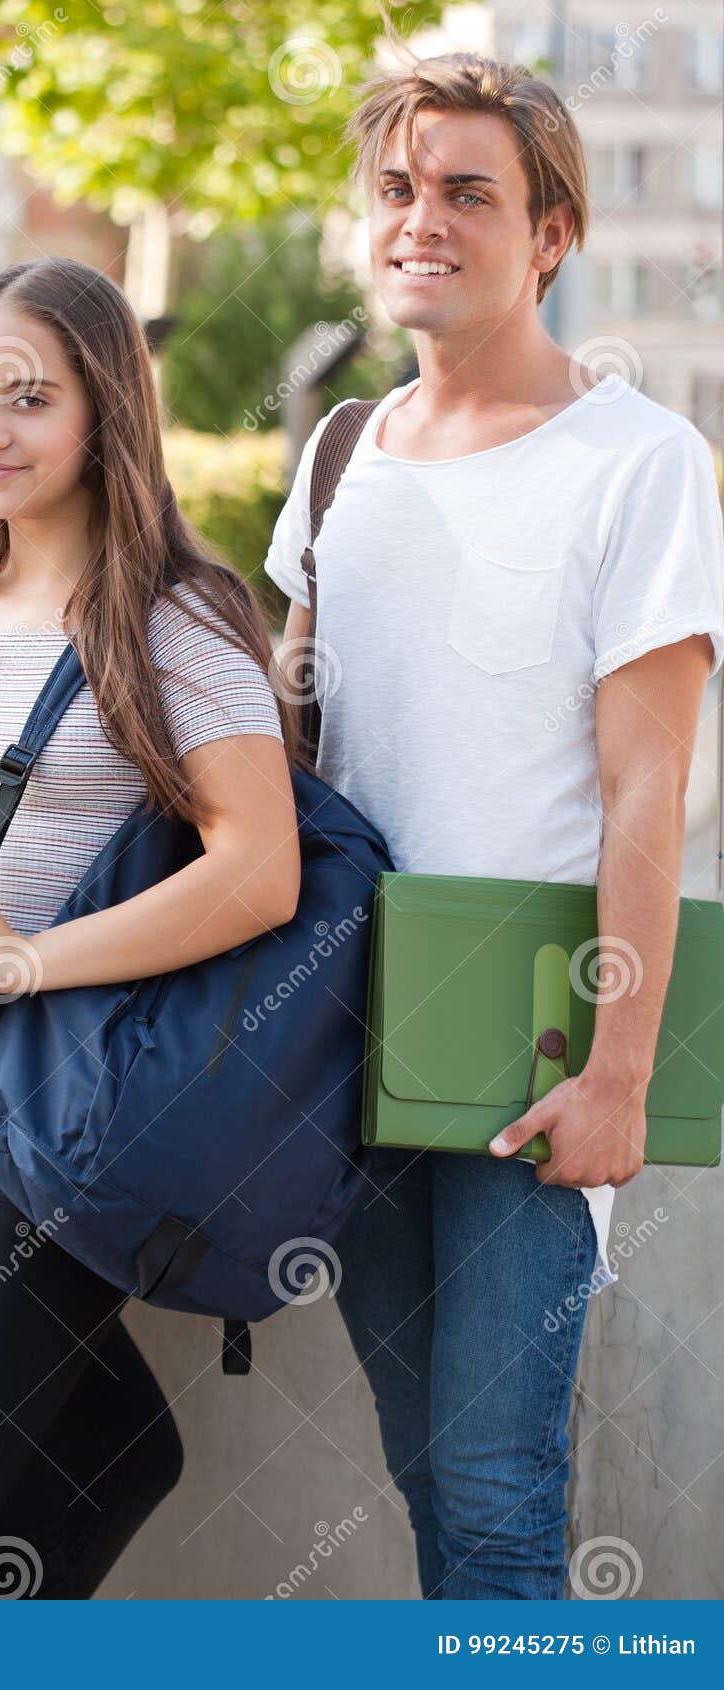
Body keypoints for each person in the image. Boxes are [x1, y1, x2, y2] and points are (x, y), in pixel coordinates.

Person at [264, 53, 724, 1599]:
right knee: (425, 1479)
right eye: (397, 190)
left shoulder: (639, 464)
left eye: (469, 191)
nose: (423, 220)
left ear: (550, 233)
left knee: (500, 1488)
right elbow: (286, 743)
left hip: (529, 1049)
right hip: (341, 1031)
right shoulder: (338, 454)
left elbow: (651, 785)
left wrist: (622, 1069)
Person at [0, 255, 302, 1599]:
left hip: (47, 1119)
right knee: (105, 1438)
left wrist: (22, 957)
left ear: (104, 410)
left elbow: (261, 870)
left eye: (27, 398)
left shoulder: (175, 619)